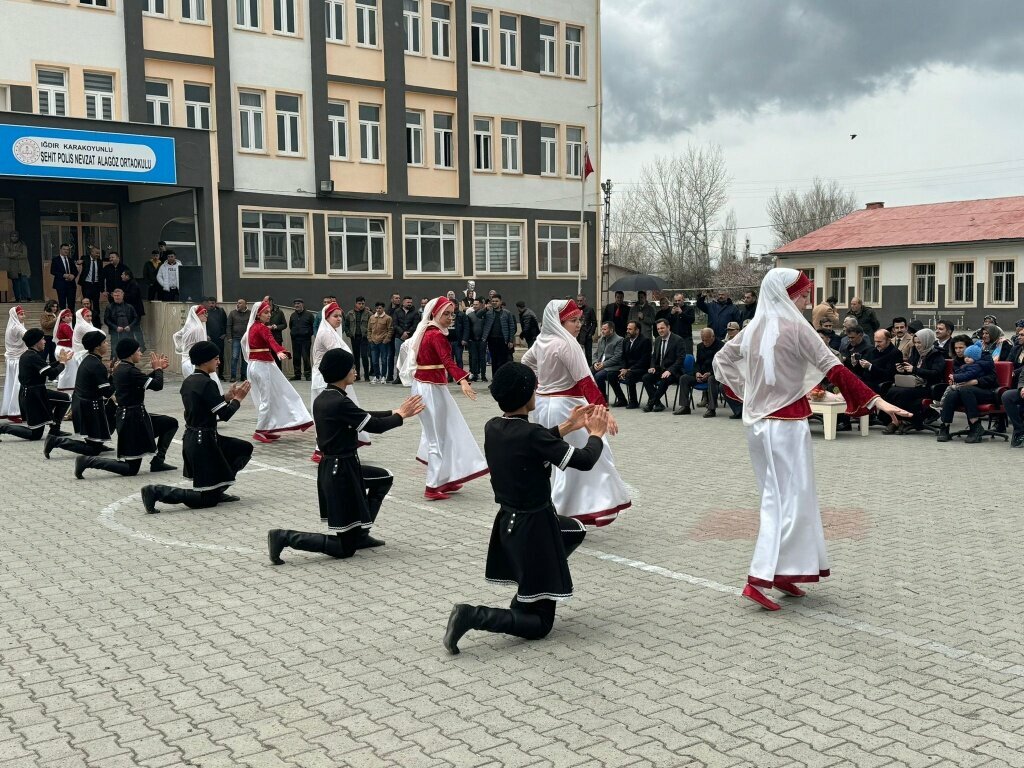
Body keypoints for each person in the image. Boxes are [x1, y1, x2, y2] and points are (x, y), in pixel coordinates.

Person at [713, 268, 910, 611]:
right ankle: (758, 578)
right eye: (803, 294)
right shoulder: (795, 329)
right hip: (784, 426)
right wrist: (876, 400)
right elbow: (835, 369)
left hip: (761, 425)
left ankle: (787, 571)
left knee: (794, 498)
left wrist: (750, 394)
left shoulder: (752, 329)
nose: (808, 300)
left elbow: (722, 361)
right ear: (788, 295)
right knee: (783, 501)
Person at [442, 362, 608, 655]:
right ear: (527, 394)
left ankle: (531, 588)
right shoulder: (532, 434)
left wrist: (569, 425)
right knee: (541, 624)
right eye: (534, 388)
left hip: (509, 522)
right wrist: (596, 434)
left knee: (573, 530)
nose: (537, 392)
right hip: (535, 526)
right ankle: (472, 615)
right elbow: (583, 460)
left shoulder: (494, 427)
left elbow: (533, 443)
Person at [269, 349, 426, 564]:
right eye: (351, 367)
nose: (354, 371)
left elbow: (362, 415)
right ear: (342, 372)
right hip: (340, 472)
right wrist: (401, 416)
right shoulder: (338, 402)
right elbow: (374, 426)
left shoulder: (329, 397)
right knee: (344, 549)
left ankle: (360, 533)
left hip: (341, 467)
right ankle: (285, 537)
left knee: (383, 478)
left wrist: (394, 411)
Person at [522, 299, 631, 527]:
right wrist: (604, 411)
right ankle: (580, 507)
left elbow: (525, 361)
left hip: (543, 407)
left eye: (579, 319)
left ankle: (569, 506)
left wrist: (540, 385)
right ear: (559, 322)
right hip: (568, 407)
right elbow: (586, 381)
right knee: (585, 455)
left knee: (554, 457)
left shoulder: (542, 340)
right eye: (572, 320)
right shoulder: (566, 344)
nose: (578, 324)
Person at [141, 342, 254, 513]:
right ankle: (157, 491)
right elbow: (224, 415)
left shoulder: (190, 380)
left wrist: (226, 397)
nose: (219, 362)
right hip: (203, 443)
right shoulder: (207, 383)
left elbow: (205, 405)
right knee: (206, 501)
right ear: (205, 361)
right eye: (215, 359)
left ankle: (216, 488)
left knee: (243, 448)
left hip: (198, 438)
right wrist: (238, 399)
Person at [397, 296, 489, 501]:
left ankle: (445, 477)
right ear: (434, 314)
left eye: (452, 313)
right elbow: (448, 361)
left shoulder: (426, 332)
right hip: (429, 389)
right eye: (445, 314)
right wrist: (463, 380)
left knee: (445, 431)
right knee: (437, 437)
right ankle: (432, 485)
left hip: (430, 387)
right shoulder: (435, 335)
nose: (450, 317)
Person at [74, 339, 179, 478]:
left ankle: (158, 461)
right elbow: (157, 386)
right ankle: (88, 461)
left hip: (137, 417)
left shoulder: (123, 368)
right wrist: (158, 369)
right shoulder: (129, 370)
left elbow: (141, 381)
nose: (140, 353)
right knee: (131, 469)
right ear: (131, 354)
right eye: (138, 351)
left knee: (170, 423)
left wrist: (156, 371)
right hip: (132, 421)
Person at [242, 299, 313, 443]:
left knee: (268, 397)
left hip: (255, 365)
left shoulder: (251, 327)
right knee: (268, 398)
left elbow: (244, 342)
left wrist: (279, 351)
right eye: (266, 313)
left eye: (269, 312)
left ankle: (268, 427)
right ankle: (260, 430)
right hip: (262, 366)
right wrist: (280, 350)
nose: (269, 315)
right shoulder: (261, 328)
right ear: (258, 315)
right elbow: (271, 341)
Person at [310, 301, 370, 463]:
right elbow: (339, 354)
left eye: (340, 316)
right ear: (326, 317)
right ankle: (320, 449)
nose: (339, 319)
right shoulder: (326, 333)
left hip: (334, 377)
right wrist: (350, 370)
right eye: (335, 316)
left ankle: (323, 448)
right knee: (332, 414)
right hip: (328, 380)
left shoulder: (331, 332)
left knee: (334, 414)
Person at [45, 331, 116, 460]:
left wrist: (111, 374)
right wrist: (116, 377)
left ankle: (97, 443)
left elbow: (101, 386)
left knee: (109, 414)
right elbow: (107, 392)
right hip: (87, 407)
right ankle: (56, 441)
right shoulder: (95, 364)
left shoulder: (90, 359)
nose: (107, 344)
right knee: (94, 451)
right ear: (97, 346)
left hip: (83, 404)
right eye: (104, 342)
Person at [0, 330, 72, 442]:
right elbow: (52, 374)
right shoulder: (32, 356)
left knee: (65, 398)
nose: (44, 341)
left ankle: (55, 429)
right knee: (35, 434)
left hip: (36, 392)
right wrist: (62, 363)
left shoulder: (30, 354)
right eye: (42, 339)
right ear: (35, 342)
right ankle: (2, 428)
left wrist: (59, 361)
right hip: (33, 397)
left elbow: (46, 368)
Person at [884, 329, 946, 433]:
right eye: (915, 342)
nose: (917, 345)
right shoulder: (916, 353)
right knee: (892, 390)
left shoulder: (937, 355)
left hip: (929, 386)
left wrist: (914, 370)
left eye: (919, 342)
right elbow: (911, 368)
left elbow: (936, 373)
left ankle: (900, 421)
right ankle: (896, 420)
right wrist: (903, 370)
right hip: (914, 384)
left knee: (901, 393)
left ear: (927, 341)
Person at [935, 344, 998, 444]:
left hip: (986, 391)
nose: (958, 351)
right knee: (952, 391)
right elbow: (959, 376)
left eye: (960, 348)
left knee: (966, 390)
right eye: (956, 348)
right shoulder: (961, 361)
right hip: (965, 391)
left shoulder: (985, 361)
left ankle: (975, 426)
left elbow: (992, 379)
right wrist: (954, 381)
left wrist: (975, 381)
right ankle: (945, 426)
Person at [174, 305, 223, 392]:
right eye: (203, 313)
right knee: (209, 389)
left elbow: (176, 335)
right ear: (196, 315)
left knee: (193, 389)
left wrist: (182, 348)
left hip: (185, 361)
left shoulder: (188, 326)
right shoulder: (198, 329)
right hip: (195, 364)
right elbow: (203, 348)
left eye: (206, 313)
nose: (206, 315)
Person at [675, 328, 723, 417]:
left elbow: (722, 365)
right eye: (703, 340)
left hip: (715, 374)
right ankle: (685, 406)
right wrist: (697, 372)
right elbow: (698, 363)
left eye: (707, 340)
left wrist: (710, 373)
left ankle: (711, 409)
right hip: (701, 374)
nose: (705, 342)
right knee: (684, 378)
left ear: (713, 337)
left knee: (712, 380)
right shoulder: (700, 346)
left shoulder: (721, 346)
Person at [642, 318, 685, 412]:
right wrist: (652, 366)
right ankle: (658, 404)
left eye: (662, 328)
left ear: (668, 327)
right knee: (646, 377)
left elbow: (680, 359)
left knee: (664, 379)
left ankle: (651, 403)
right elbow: (653, 356)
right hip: (660, 369)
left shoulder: (678, 340)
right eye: (658, 329)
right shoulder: (657, 340)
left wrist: (669, 370)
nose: (660, 330)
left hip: (674, 371)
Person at [609, 321, 651, 409]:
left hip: (640, 368)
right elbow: (623, 357)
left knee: (629, 375)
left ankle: (633, 401)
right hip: (627, 368)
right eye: (627, 329)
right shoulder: (626, 340)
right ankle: (622, 399)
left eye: (630, 329)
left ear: (637, 330)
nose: (627, 331)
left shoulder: (645, 341)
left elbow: (644, 360)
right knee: (611, 375)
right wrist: (624, 368)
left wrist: (629, 369)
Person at [2, 306, 27, 421]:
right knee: (18, 385)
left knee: (12, 385)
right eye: (21, 314)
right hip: (17, 360)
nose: (23, 316)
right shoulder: (17, 327)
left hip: (12, 359)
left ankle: (12, 410)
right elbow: (29, 337)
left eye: (23, 314)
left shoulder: (12, 325)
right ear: (15, 316)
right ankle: (15, 411)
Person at [482, 294, 516, 374]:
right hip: (492, 340)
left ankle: (502, 380)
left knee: (503, 361)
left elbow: (512, 327)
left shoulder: (507, 313)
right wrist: (485, 308)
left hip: (503, 340)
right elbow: (478, 315)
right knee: (494, 361)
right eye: (493, 301)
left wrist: (510, 340)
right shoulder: (488, 313)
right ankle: (495, 380)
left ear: (500, 302)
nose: (494, 303)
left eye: (496, 301)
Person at [391, 296, 420, 385]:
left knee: (411, 357)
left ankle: (410, 377)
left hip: (411, 338)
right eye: (408, 302)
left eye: (410, 302)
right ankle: (399, 377)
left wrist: (408, 333)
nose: (409, 304)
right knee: (399, 357)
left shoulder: (415, 313)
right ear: (403, 303)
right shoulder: (397, 312)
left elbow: (416, 325)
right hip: (399, 338)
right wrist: (402, 333)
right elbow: (395, 324)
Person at [103, 288, 138, 360]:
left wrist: (130, 326)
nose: (116, 297)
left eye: (118, 295)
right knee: (114, 349)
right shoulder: (109, 307)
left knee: (129, 348)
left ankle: (128, 362)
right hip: (115, 332)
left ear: (122, 295)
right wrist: (115, 327)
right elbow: (106, 320)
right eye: (115, 295)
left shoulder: (129, 307)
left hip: (128, 331)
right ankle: (113, 365)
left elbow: (136, 318)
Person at [592, 322, 623, 402]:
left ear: (611, 330)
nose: (602, 331)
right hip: (600, 365)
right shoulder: (601, 339)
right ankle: (594, 397)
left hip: (612, 367)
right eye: (602, 329)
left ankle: (603, 399)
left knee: (599, 376)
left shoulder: (619, 340)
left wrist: (604, 364)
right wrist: (595, 363)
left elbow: (617, 357)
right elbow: (595, 354)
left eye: (604, 329)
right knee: (587, 373)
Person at [344, 297, 371, 381]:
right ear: (356, 304)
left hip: (364, 338)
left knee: (364, 356)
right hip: (354, 337)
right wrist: (349, 334)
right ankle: (357, 375)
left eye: (363, 303)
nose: (361, 305)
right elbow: (346, 325)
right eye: (359, 303)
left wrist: (368, 334)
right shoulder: (350, 313)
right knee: (355, 357)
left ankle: (366, 375)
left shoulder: (369, 314)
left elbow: (372, 326)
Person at [288, 299, 315, 381]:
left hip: (305, 340)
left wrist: (307, 333)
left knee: (306, 357)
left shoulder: (309, 315)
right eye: (295, 304)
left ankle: (308, 375)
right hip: (295, 340)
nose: (296, 305)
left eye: (298, 303)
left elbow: (313, 327)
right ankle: (297, 375)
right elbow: (290, 326)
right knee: (296, 358)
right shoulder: (293, 315)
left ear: (302, 304)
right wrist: (293, 333)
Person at [120, 270, 146, 351]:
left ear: (127, 276)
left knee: (136, 329)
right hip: (130, 311)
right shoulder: (128, 283)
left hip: (135, 311)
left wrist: (122, 295)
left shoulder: (133, 284)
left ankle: (142, 346)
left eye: (122, 274)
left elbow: (132, 297)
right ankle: (133, 346)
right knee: (130, 329)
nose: (121, 276)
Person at [367, 302, 393, 384]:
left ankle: (383, 376)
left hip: (383, 342)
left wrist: (386, 339)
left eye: (380, 308)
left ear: (383, 309)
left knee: (384, 360)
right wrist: (369, 338)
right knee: (374, 360)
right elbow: (369, 329)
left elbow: (390, 330)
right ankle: (376, 376)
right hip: (373, 342)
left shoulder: (388, 318)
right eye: (377, 308)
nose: (378, 310)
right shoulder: (372, 318)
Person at [4, 230, 31, 302]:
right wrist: (18, 253)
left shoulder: (22, 244)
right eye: (12, 236)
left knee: (24, 282)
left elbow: (24, 255)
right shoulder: (7, 244)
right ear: (10, 237)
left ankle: (28, 297)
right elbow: (7, 254)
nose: (14, 238)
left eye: (16, 236)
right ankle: (17, 298)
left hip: (23, 266)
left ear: (18, 237)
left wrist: (13, 254)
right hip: (13, 267)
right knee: (15, 283)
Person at [50, 242, 78, 311]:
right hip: (60, 284)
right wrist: (63, 275)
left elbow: (75, 271)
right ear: (60, 250)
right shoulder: (55, 260)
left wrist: (73, 276)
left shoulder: (71, 260)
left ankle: (72, 320)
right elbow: (53, 271)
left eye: (68, 250)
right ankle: (63, 319)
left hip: (71, 284)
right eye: (64, 249)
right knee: (62, 303)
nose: (66, 251)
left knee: (71, 304)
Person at [226, 298, 249, 382]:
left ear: (245, 305)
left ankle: (244, 376)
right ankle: (233, 376)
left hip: (246, 339)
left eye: (240, 303)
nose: (237, 304)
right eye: (237, 303)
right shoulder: (232, 313)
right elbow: (228, 326)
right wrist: (229, 337)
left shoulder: (249, 313)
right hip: (236, 338)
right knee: (234, 357)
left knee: (245, 358)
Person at [204, 297, 228, 377]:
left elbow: (226, 323)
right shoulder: (205, 312)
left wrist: (224, 334)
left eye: (213, 303)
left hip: (219, 338)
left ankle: (220, 375)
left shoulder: (221, 311)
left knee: (220, 356)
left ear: (216, 303)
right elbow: (203, 325)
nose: (211, 305)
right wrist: (206, 335)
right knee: (210, 356)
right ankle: (210, 373)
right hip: (210, 338)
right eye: (210, 303)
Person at [466, 298, 487, 382]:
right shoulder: (470, 315)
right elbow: (468, 328)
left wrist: (485, 338)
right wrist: (468, 339)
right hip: (472, 340)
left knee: (482, 358)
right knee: (474, 358)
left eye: (476, 304)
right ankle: (475, 374)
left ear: (481, 305)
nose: (474, 306)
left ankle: (483, 375)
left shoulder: (485, 314)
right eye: (473, 304)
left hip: (482, 340)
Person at [576, 294, 598, 365]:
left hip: (587, 335)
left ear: (584, 300)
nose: (579, 302)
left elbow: (594, 323)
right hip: (577, 335)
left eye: (581, 300)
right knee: (577, 355)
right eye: (578, 301)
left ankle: (590, 370)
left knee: (588, 355)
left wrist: (591, 333)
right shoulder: (575, 309)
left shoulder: (590, 309)